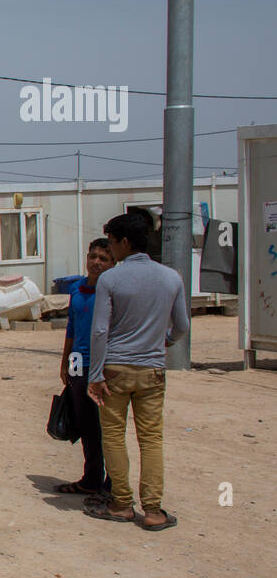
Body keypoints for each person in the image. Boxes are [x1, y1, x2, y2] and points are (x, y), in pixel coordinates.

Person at [84, 212, 190, 531]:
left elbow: (100, 330)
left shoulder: (111, 279)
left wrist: (95, 375)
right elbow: (182, 325)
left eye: (113, 243)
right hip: (153, 370)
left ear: (125, 242)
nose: (111, 250)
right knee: (151, 438)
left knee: (114, 436)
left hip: (115, 369)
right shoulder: (171, 277)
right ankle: (154, 510)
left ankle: (121, 504)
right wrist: (165, 341)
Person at [55, 238, 115, 497]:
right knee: (87, 425)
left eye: (103, 258)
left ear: (113, 263)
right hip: (79, 365)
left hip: (105, 367)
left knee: (110, 427)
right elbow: (71, 325)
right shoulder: (77, 289)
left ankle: (114, 484)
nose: (96, 262)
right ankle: (91, 478)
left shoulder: (114, 291)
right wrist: (65, 359)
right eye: (93, 256)